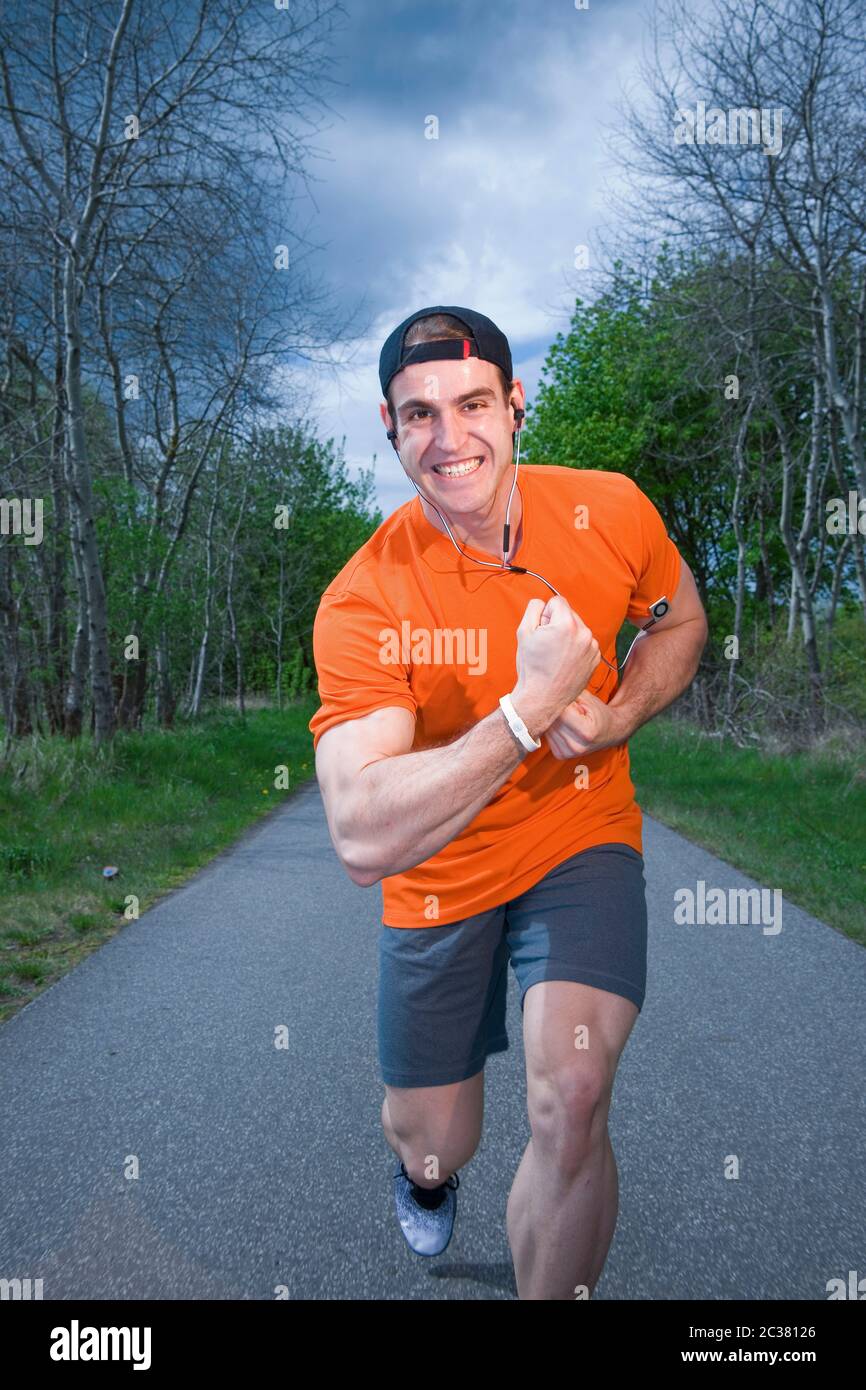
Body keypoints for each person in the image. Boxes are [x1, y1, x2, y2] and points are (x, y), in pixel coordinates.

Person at [309, 306, 708, 1299]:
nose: (449, 441)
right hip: (438, 870)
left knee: (571, 1093)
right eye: (418, 416)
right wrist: (526, 711)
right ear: (389, 426)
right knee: (435, 1142)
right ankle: (423, 1179)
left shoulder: (608, 507)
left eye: (472, 403)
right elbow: (360, 834)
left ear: (515, 403)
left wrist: (617, 716)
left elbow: (679, 618)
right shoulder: (364, 597)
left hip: (579, 835)